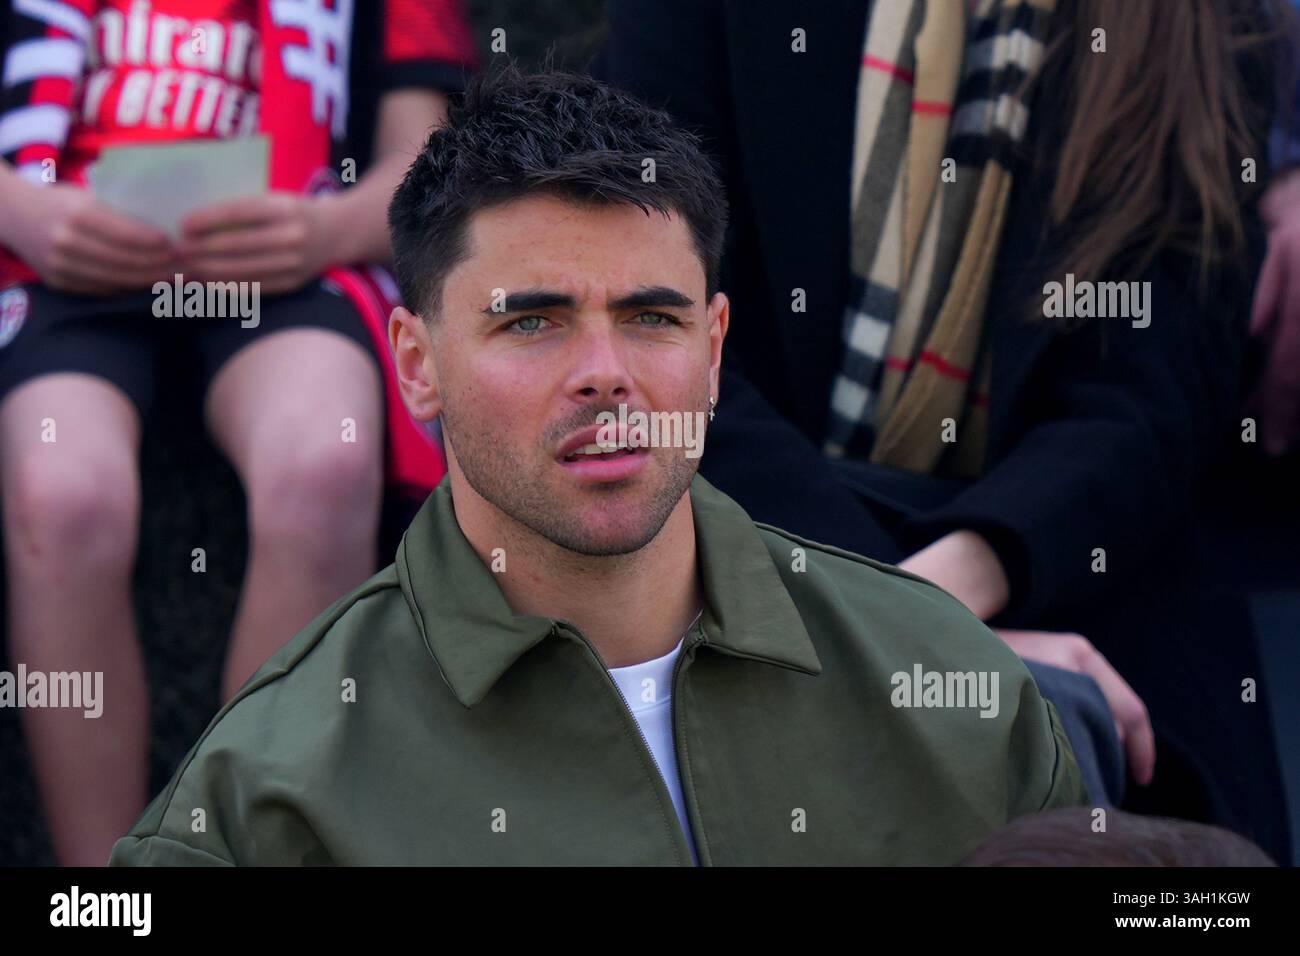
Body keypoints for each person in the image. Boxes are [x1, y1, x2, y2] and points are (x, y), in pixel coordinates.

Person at [109, 66, 1086, 867]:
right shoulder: (261, 805)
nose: (605, 377)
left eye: (651, 317)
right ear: (416, 365)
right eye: (531, 320)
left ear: (714, 350)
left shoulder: (966, 694)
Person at [595, 0, 1292, 859]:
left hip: (1062, 566)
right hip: (742, 536)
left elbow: (1146, 408)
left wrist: (937, 602)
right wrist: (889, 617)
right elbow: (650, 334)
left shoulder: (1199, 27)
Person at [0, 0, 476, 866]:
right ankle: (103, 890)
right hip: (54, 262)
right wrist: (26, 214)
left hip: (285, 262)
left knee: (324, 461)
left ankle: (224, 853)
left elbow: (429, 165)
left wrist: (322, 230)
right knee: (62, 492)